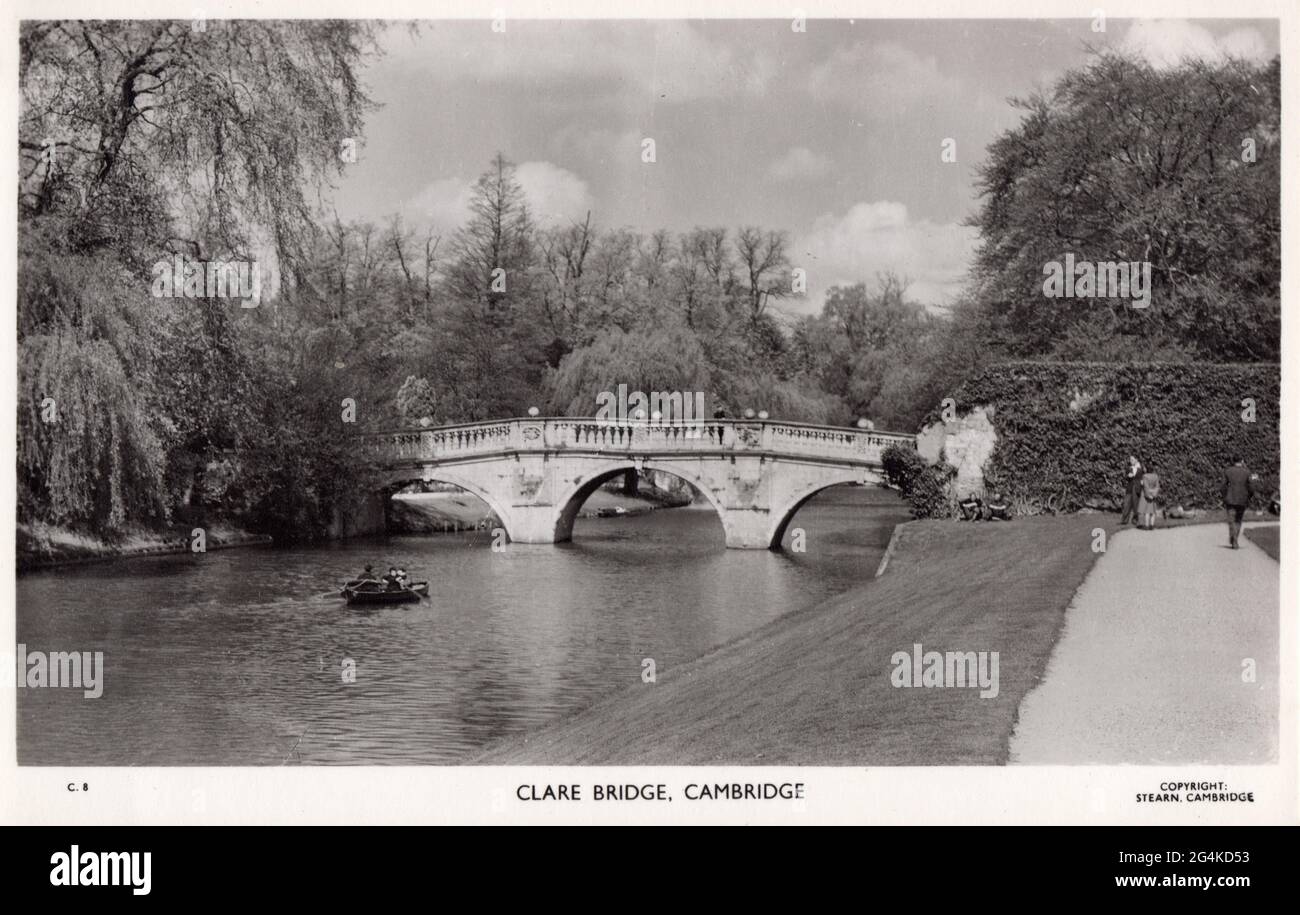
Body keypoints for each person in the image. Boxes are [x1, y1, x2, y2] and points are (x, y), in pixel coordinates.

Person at [1222, 455, 1258, 549]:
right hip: (1242, 499)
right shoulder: (1247, 472)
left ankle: (1233, 538)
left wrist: (1225, 496)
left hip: (1230, 498)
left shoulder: (1228, 471)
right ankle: (1235, 539)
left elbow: (1222, 486)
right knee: (1238, 520)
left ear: (1233, 461)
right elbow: (1251, 488)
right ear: (1242, 461)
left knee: (1231, 520)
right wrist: (1249, 496)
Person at [1120, 455, 1144, 525]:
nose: (1130, 461)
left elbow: (1144, 476)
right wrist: (1128, 476)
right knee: (1126, 503)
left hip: (1137, 488)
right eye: (1130, 460)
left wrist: (1142, 482)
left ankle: (1135, 519)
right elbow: (1125, 477)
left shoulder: (1141, 468)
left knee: (1136, 505)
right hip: (1129, 488)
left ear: (1136, 460)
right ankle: (1124, 520)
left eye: (1132, 459)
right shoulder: (1128, 468)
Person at [1138, 463, 1161, 530]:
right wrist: (1154, 495)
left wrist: (1148, 495)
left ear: (1147, 469)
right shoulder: (1155, 476)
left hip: (1146, 495)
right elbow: (1157, 486)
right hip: (1153, 494)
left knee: (1147, 511)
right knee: (1153, 511)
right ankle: (1152, 525)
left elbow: (1146, 487)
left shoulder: (1145, 476)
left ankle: (1147, 525)